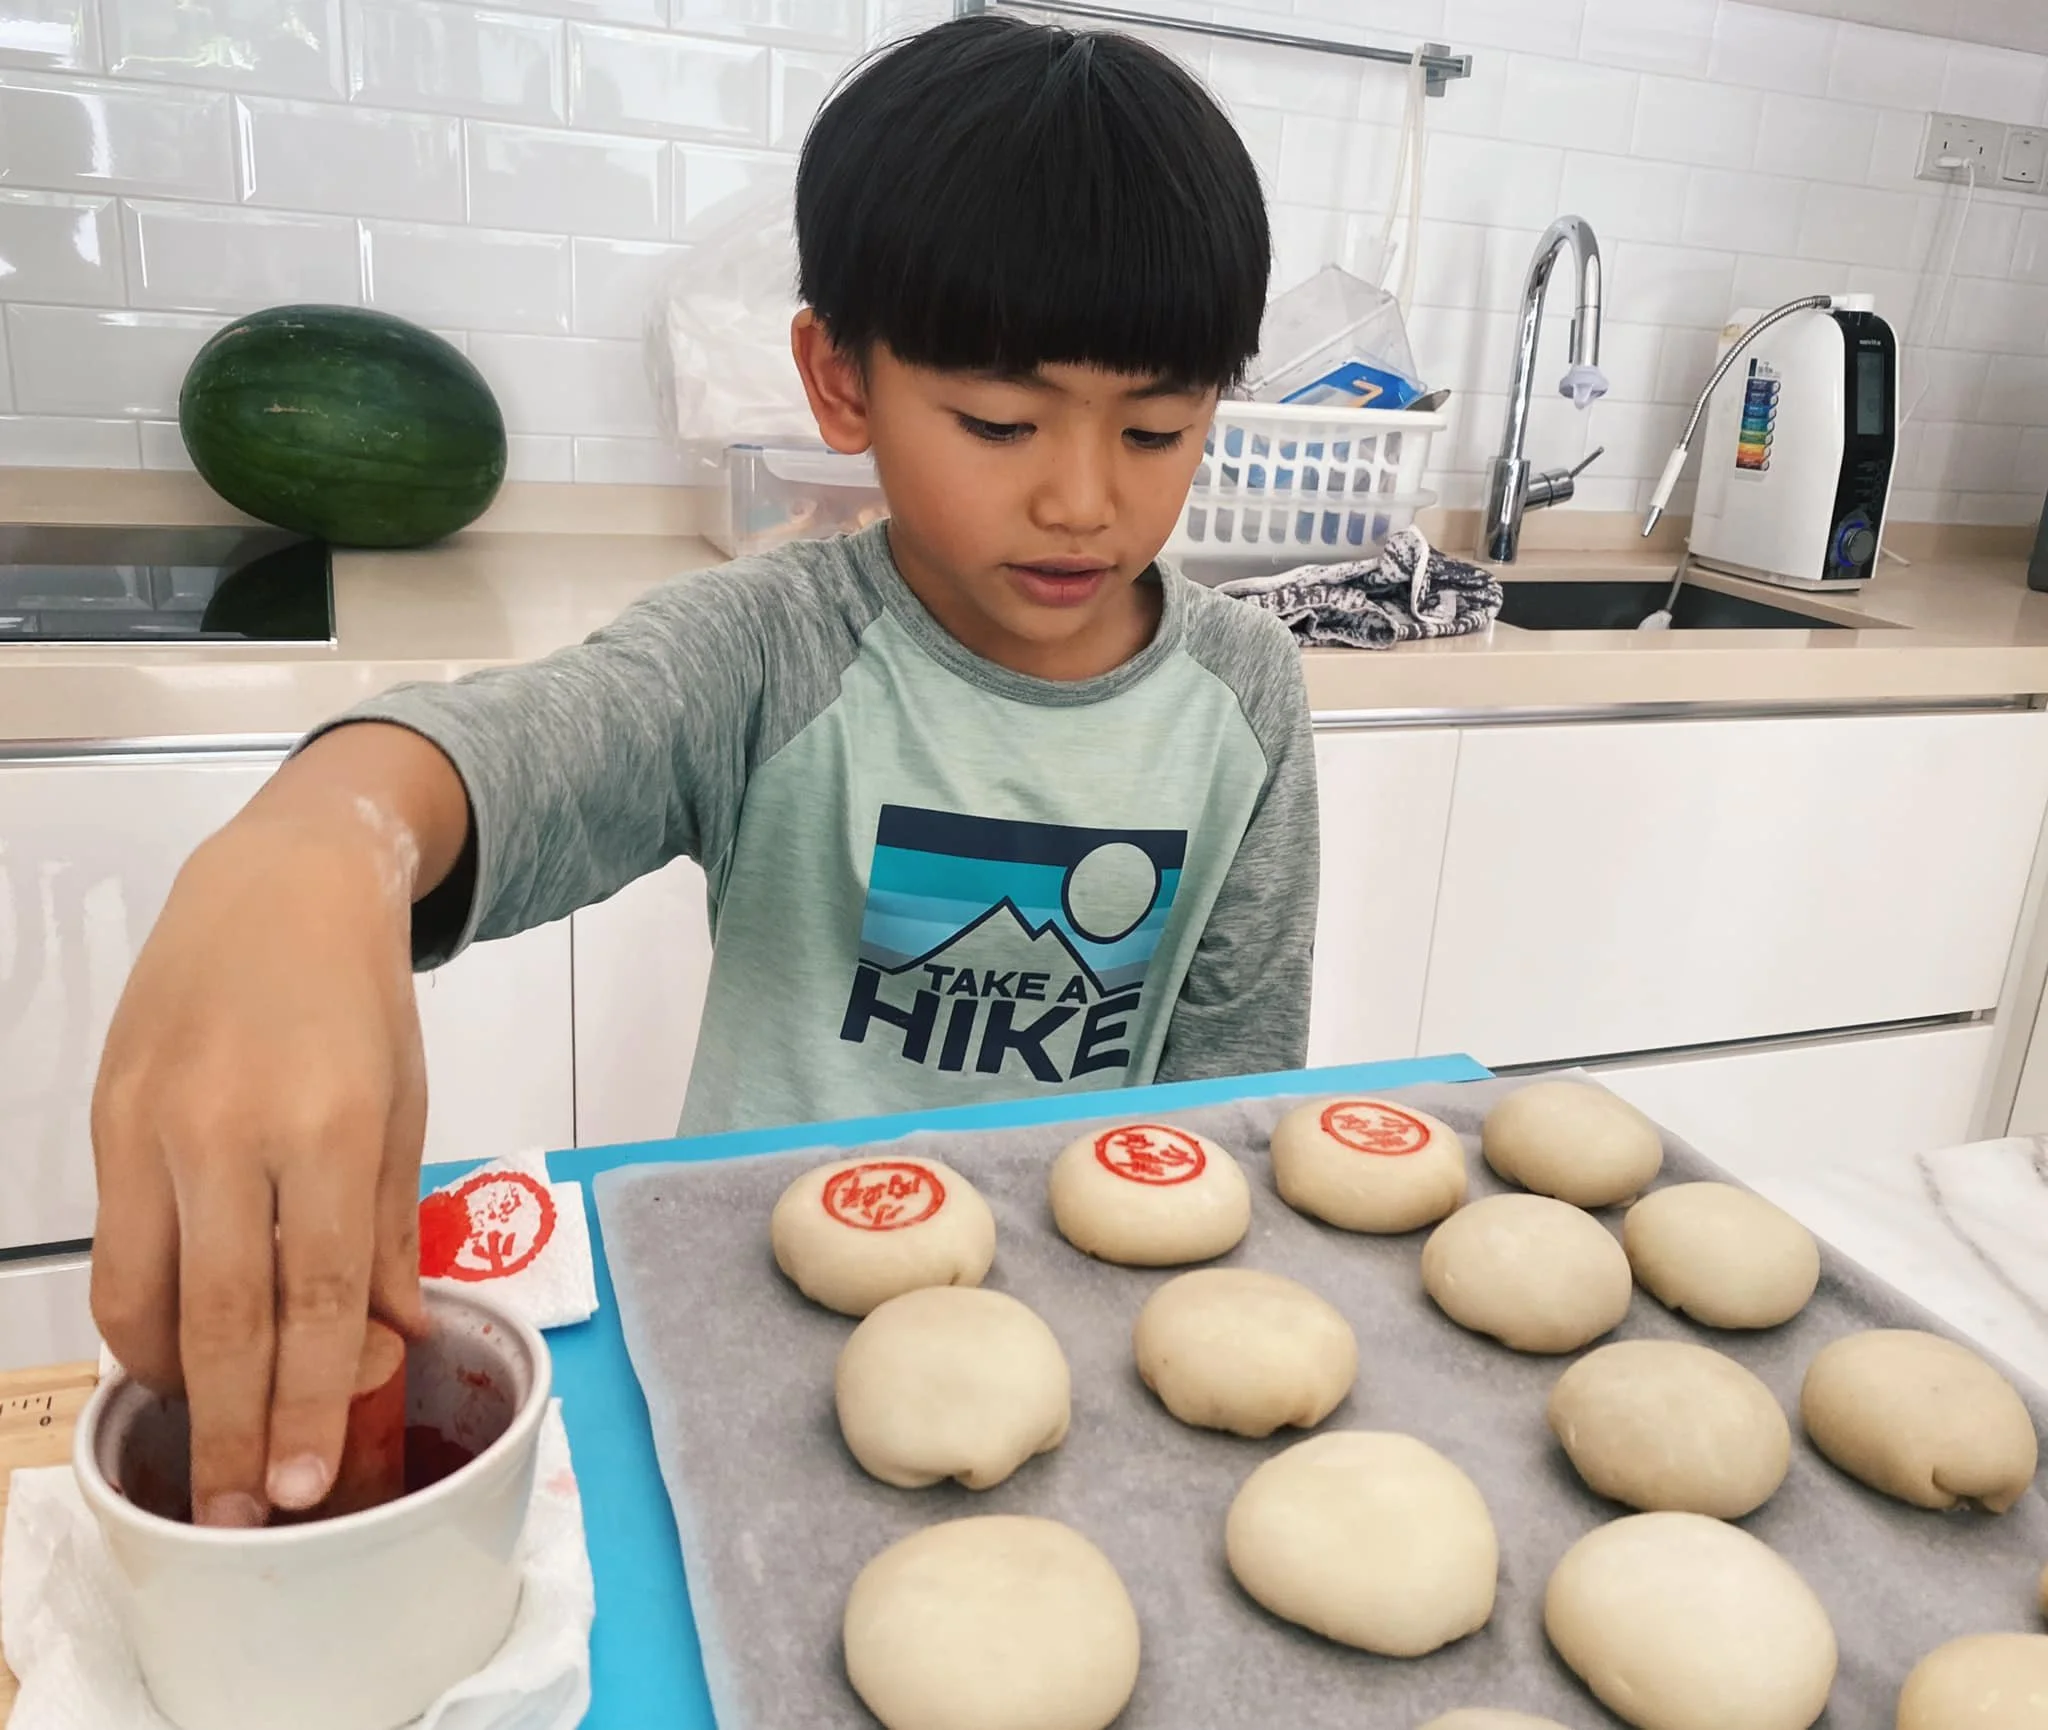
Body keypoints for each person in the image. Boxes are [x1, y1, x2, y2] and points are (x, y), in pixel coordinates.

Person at [88, 13, 1317, 1528]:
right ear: (839, 382)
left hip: (1078, 1364)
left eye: (1157, 425)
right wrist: (323, 839)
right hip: (758, 1332)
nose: (1083, 497)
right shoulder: (775, 649)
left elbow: (1234, 1116)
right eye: (1000, 420)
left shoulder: (1244, 692)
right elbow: (548, 740)